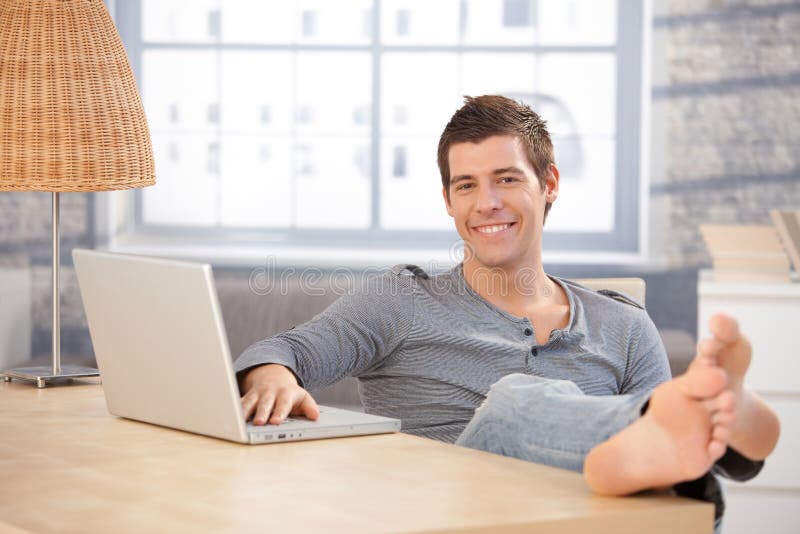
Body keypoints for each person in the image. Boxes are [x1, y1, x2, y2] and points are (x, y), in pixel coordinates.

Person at [234, 95, 779, 525]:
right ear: (448, 201)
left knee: (676, 446)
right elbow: (285, 350)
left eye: (507, 179)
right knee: (516, 401)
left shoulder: (623, 324)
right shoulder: (398, 301)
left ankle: (733, 419)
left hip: (582, 520)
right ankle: (675, 433)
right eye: (466, 185)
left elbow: (676, 451)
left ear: (549, 185)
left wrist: (693, 421)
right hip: (450, 517)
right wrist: (271, 376)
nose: (486, 202)